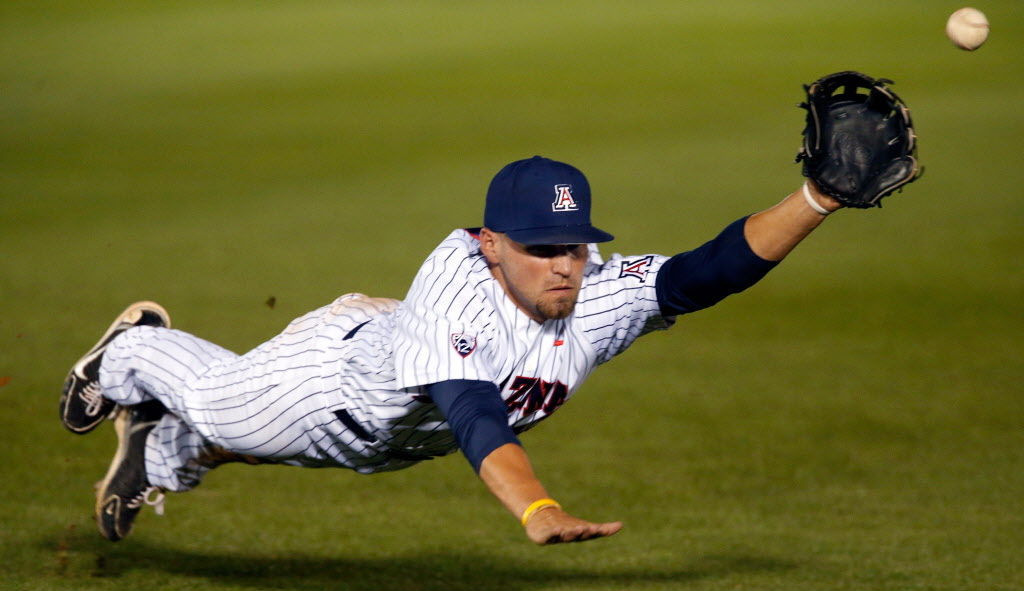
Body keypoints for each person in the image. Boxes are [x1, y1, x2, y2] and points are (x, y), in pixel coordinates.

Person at [61, 155, 843, 544]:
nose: (564, 262)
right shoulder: (459, 286)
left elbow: (709, 271)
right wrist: (536, 507)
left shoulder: (593, 289)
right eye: (541, 248)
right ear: (490, 243)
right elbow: (475, 416)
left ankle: (153, 455)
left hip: (397, 432)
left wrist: (817, 198)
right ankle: (133, 351)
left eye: (574, 244)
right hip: (326, 381)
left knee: (246, 451)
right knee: (224, 408)